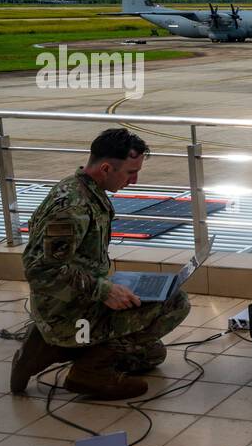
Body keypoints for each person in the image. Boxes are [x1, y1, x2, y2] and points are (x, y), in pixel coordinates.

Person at [10, 128, 190, 399]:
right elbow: (41, 270)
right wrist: (104, 291)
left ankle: (48, 349)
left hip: (79, 301)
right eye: (130, 173)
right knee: (175, 302)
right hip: (68, 311)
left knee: (151, 355)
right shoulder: (72, 207)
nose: (135, 181)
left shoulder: (84, 190)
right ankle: (88, 370)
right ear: (106, 168)